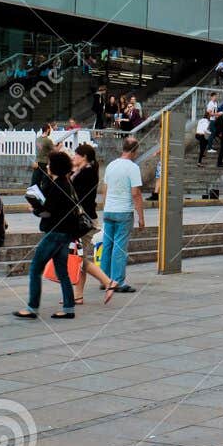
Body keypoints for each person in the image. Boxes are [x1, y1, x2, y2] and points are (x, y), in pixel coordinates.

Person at [16, 149, 83, 320]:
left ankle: (32, 307)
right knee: (62, 271)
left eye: (50, 163)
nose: (47, 166)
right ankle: (68, 308)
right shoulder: (67, 184)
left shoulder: (58, 186)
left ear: (55, 167)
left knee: (35, 268)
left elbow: (48, 211)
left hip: (55, 232)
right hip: (66, 232)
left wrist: (34, 208)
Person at [69, 143, 117, 304]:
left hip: (84, 221)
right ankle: (78, 295)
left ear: (83, 157)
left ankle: (108, 282)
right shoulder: (82, 171)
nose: (73, 157)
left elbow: (75, 195)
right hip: (81, 220)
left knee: (79, 258)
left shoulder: (87, 173)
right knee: (80, 257)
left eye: (76, 155)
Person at [102, 136, 145, 294]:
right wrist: (141, 217)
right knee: (119, 247)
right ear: (134, 151)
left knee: (107, 245)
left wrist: (106, 206)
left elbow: (105, 189)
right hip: (123, 211)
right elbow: (136, 194)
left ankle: (104, 278)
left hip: (109, 210)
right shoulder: (133, 168)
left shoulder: (111, 165)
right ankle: (118, 282)